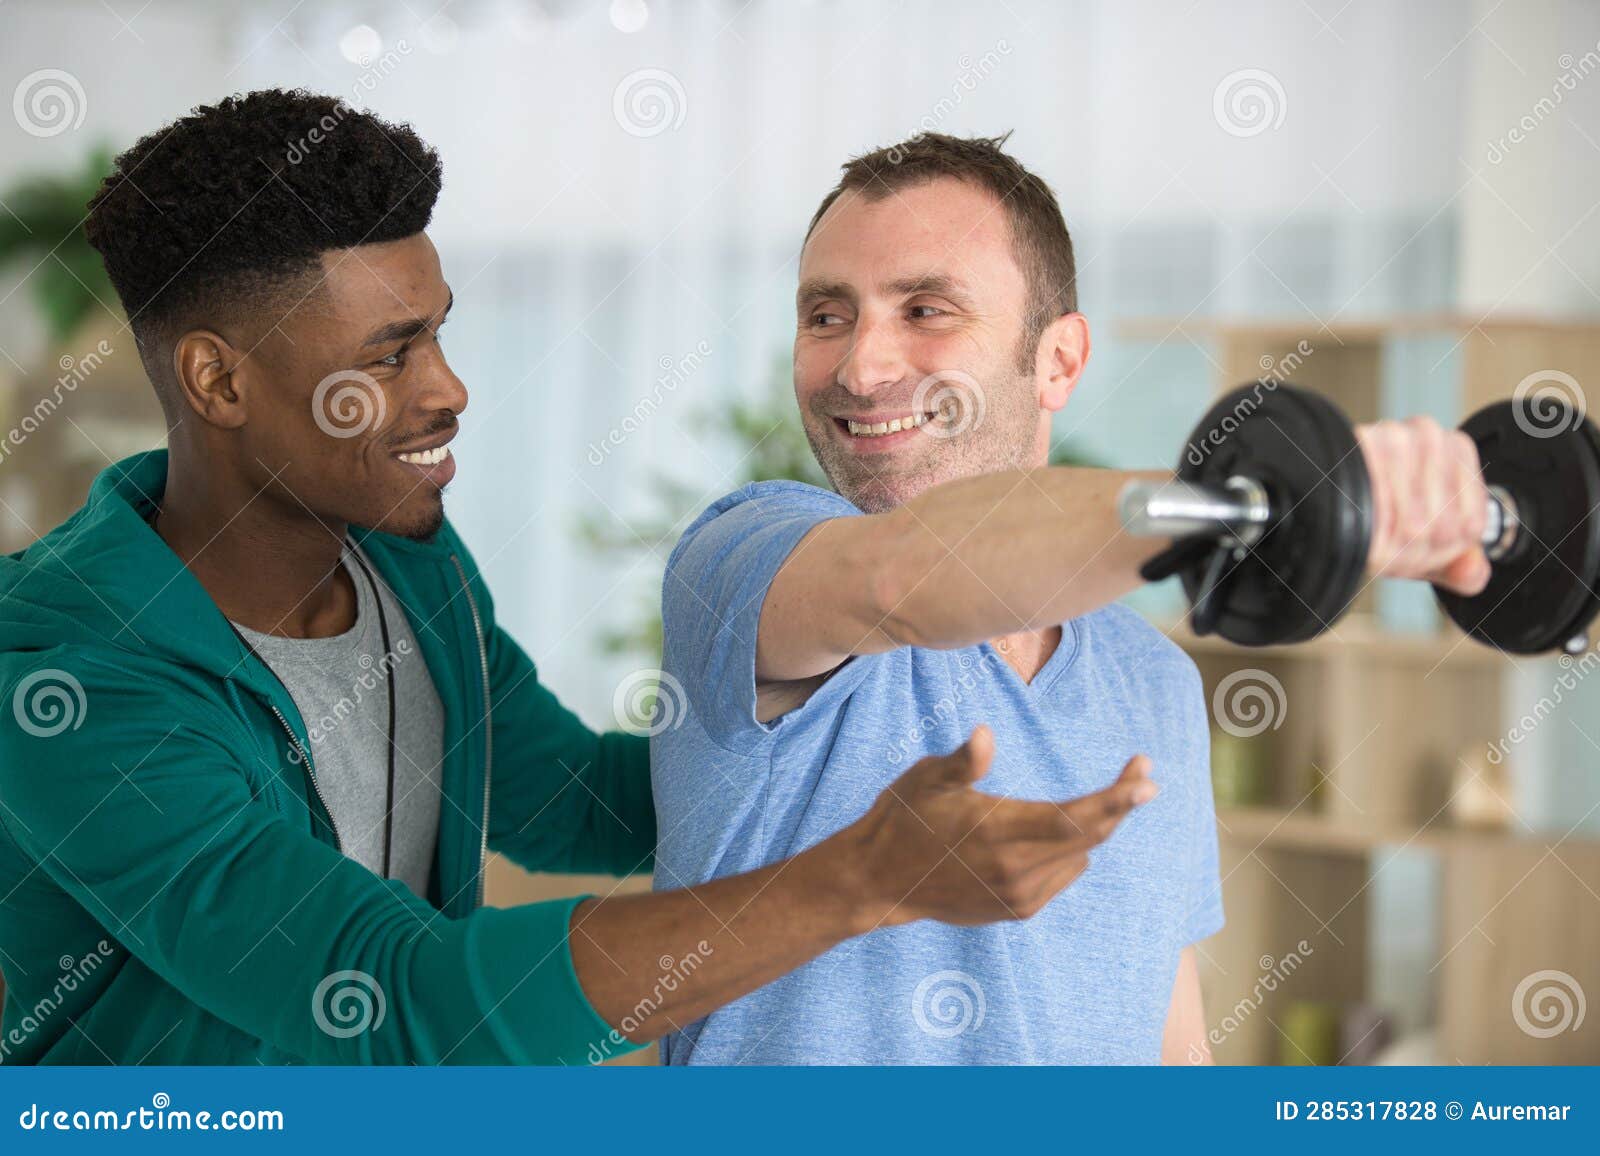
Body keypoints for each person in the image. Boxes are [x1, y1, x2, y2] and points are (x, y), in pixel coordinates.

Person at [0, 95, 1160, 1065]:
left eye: (440, 332)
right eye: (390, 353)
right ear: (217, 380)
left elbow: (566, 796)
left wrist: (803, 715)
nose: (449, 390)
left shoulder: (405, 559)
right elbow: (400, 999)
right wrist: (857, 878)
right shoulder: (69, 682)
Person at [651, 132, 1491, 1064]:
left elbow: (1174, 1046)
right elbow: (898, 576)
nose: (860, 366)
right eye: (826, 315)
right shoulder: (743, 562)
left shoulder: (1155, 683)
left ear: (1058, 361)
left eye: (925, 309)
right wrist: (1274, 505)